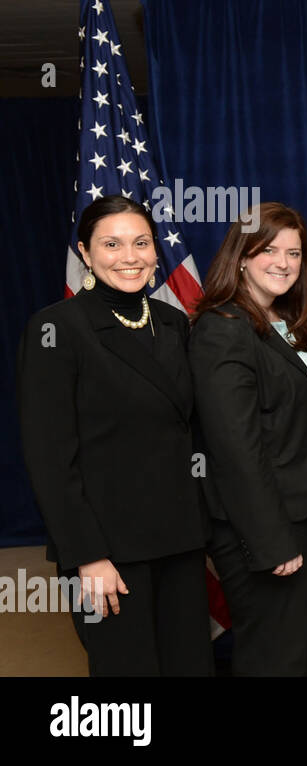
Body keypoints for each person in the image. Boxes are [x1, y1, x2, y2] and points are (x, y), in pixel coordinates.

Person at [17, 195, 211, 676]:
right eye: (112, 243)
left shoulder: (172, 323)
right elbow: (49, 458)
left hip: (180, 539)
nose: (131, 256)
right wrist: (88, 557)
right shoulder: (56, 328)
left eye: (141, 242)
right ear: (85, 252)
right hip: (107, 549)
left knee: (189, 665)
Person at [190, 202, 307, 676]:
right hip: (262, 526)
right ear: (242, 257)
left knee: (303, 649)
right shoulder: (223, 328)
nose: (284, 263)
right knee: (275, 657)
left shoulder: (285, 326)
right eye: (269, 250)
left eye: (294, 253)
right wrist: (272, 541)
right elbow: (236, 449)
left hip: (304, 508)